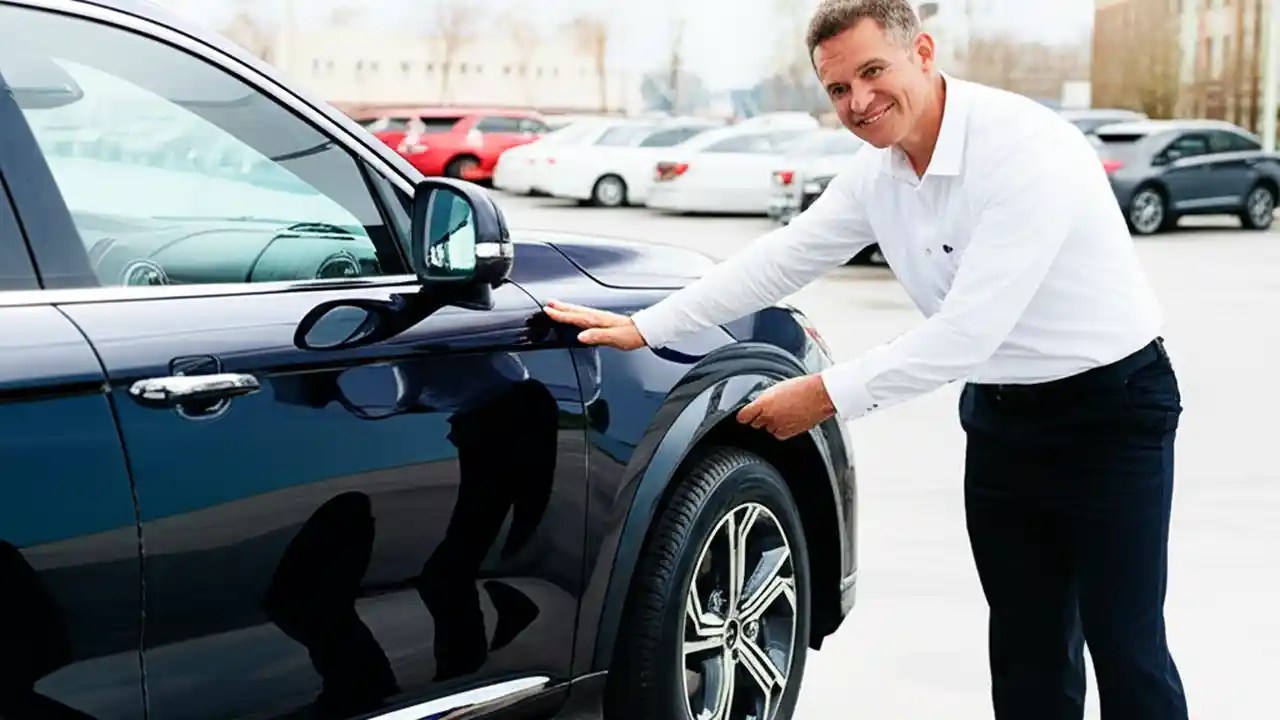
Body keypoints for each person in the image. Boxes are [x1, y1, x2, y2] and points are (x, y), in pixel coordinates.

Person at [542, 0, 1188, 718]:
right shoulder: (877, 171)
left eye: (872, 71)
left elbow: (965, 333)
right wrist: (645, 327)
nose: (859, 101)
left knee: (1125, 643)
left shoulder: (1024, 150)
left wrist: (821, 395)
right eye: (838, 89)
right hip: (1004, 417)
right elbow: (781, 260)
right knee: (1027, 643)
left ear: (924, 53)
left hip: (1112, 411)